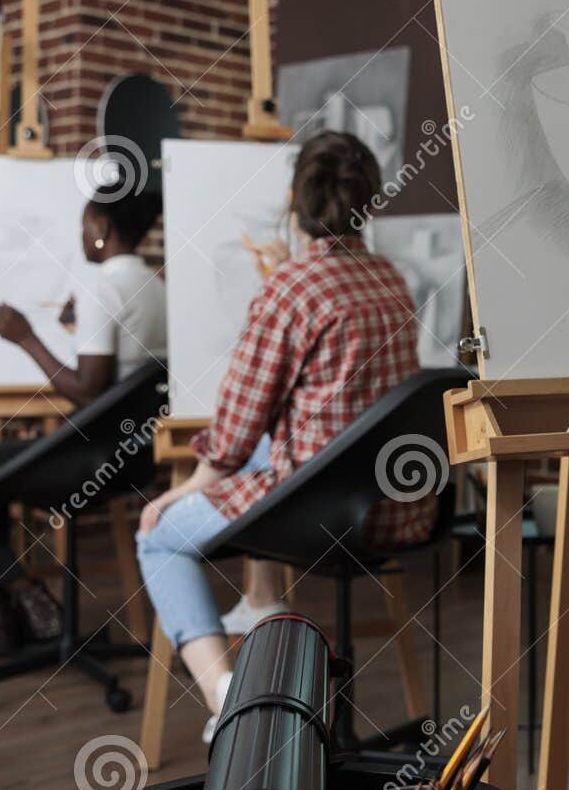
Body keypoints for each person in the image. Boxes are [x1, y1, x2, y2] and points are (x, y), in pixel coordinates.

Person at [135, 130, 433, 740]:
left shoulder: (292, 287)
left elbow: (234, 433)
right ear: (370, 198)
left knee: (159, 537)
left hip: (319, 515)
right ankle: (264, 599)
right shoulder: (391, 279)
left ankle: (229, 699)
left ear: (295, 198)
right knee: (282, 443)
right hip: (398, 506)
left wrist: (181, 491)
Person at [0, 183, 165, 658]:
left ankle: (28, 595)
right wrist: (79, 327)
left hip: (87, 459)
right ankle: (3, 621)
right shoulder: (156, 287)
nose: (81, 234)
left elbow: (88, 390)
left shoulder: (103, 287)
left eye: (84, 225)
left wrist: (26, 337)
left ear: (101, 226)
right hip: (132, 461)